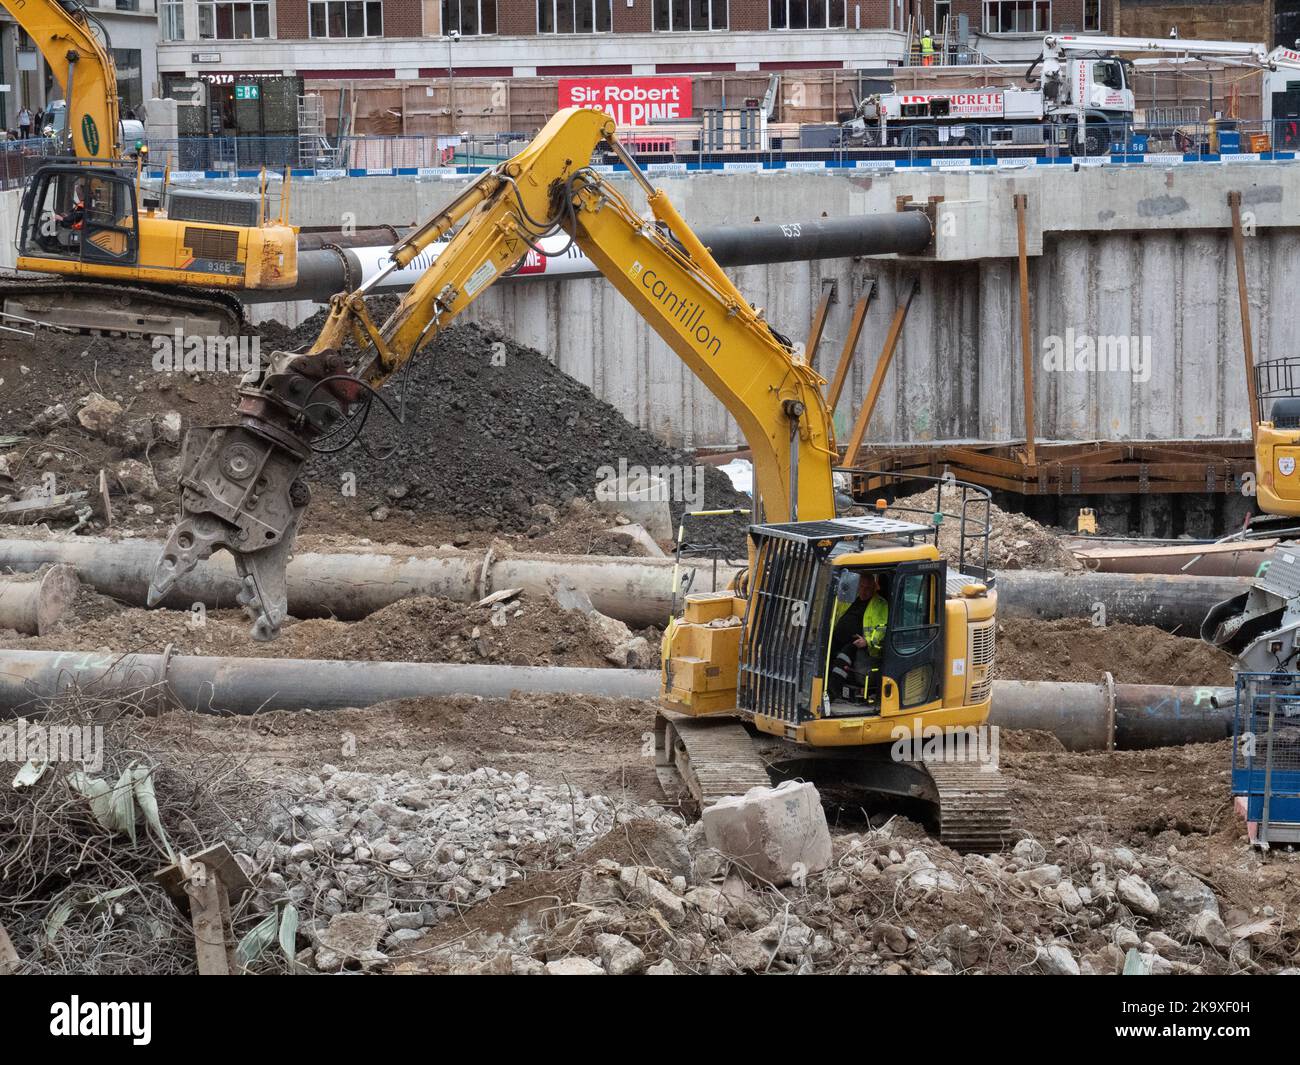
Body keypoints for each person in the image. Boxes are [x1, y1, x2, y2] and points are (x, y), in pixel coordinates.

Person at [829, 572, 889, 701]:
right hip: (839, 638)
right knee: (822, 651)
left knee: (844, 655)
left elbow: (882, 627)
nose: (864, 590)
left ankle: (831, 693)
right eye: (861, 586)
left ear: (874, 588)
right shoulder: (850, 599)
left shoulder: (880, 604)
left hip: (861, 645)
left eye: (867, 588)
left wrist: (867, 642)